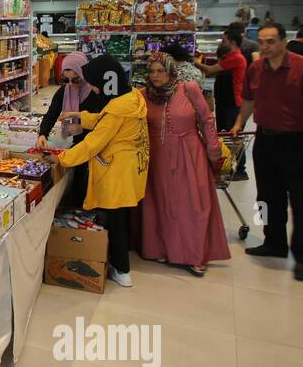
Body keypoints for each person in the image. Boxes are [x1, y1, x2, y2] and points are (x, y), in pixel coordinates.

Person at [230, 22, 303, 282]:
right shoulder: (255, 68)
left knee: (299, 200)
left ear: (284, 42)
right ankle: (273, 242)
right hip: (266, 139)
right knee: (266, 195)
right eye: (262, 41)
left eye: (271, 41)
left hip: (298, 141)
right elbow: (249, 99)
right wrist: (240, 122)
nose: (265, 46)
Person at [55, 55, 150, 287]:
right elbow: (103, 119)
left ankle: (122, 270)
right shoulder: (131, 96)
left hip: (116, 171)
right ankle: (119, 258)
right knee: (121, 217)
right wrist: (79, 116)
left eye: (95, 83)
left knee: (116, 219)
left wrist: (62, 158)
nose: (95, 89)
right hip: (132, 166)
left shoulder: (117, 107)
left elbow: (93, 143)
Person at [139, 53, 229, 276]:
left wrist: (213, 149)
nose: (156, 75)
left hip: (189, 153)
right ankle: (162, 249)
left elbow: (207, 119)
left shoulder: (188, 89)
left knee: (192, 205)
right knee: (160, 204)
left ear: (170, 71)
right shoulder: (143, 95)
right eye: (151, 71)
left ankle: (195, 255)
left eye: (160, 70)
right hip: (156, 156)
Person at [37, 51, 104, 208]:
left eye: (75, 79)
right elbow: (51, 114)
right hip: (78, 145)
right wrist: (42, 134)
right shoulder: (65, 91)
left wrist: (82, 128)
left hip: (97, 147)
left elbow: (105, 124)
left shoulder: (95, 92)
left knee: (89, 183)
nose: (71, 84)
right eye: (66, 80)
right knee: (78, 183)